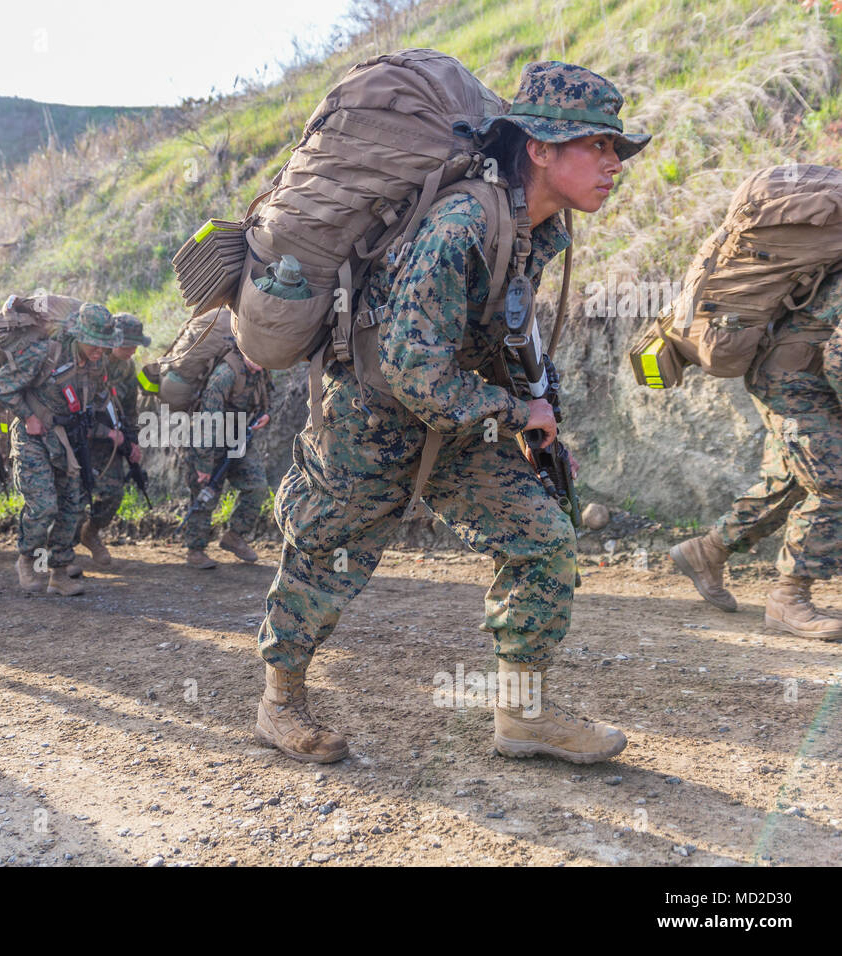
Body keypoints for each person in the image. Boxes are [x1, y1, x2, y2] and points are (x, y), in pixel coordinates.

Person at [254, 61, 650, 764]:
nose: (613, 163)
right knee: (322, 558)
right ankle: (280, 703)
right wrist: (512, 413)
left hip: (458, 418)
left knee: (543, 537)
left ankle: (523, 718)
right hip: (371, 421)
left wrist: (537, 409)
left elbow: (508, 335)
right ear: (540, 148)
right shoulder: (463, 223)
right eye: (598, 145)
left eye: (616, 148)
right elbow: (411, 365)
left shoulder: (536, 230)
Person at [670, 271, 842, 640]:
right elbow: (839, 359)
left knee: (794, 479)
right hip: (796, 384)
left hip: (793, 375)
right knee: (834, 483)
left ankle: (707, 552)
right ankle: (788, 598)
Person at [0, 303, 119, 596]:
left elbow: (96, 397)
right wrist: (28, 416)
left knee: (71, 508)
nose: (100, 349)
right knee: (43, 505)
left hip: (69, 440)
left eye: (105, 344)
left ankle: (59, 573)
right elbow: (2, 385)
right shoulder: (45, 354)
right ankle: (27, 559)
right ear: (78, 335)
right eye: (95, 343)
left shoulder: (98, 363)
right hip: (33, 437)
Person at [184, 343, 271, 570]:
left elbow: (264, 400)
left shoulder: (262, 370)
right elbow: (207, 420)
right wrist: (203, 462)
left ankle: (234, 536)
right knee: (206, 492)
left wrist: (264, 416)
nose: (261, 360)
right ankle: (195, 549)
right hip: (209, 440)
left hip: (239, 436)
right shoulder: (225, 374)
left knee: (257, 486)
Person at [77, 312, 148, 567]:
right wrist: (106, 433)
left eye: (135, 346)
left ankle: (90, 533)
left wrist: (132, 442)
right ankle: (60, 552)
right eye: (128, 345)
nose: (132, 350)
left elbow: (129, 408)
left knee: (113, 494)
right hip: (83, 437)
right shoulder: (93, 360)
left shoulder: (128, 367)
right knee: (75, 495)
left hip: (112, 440)